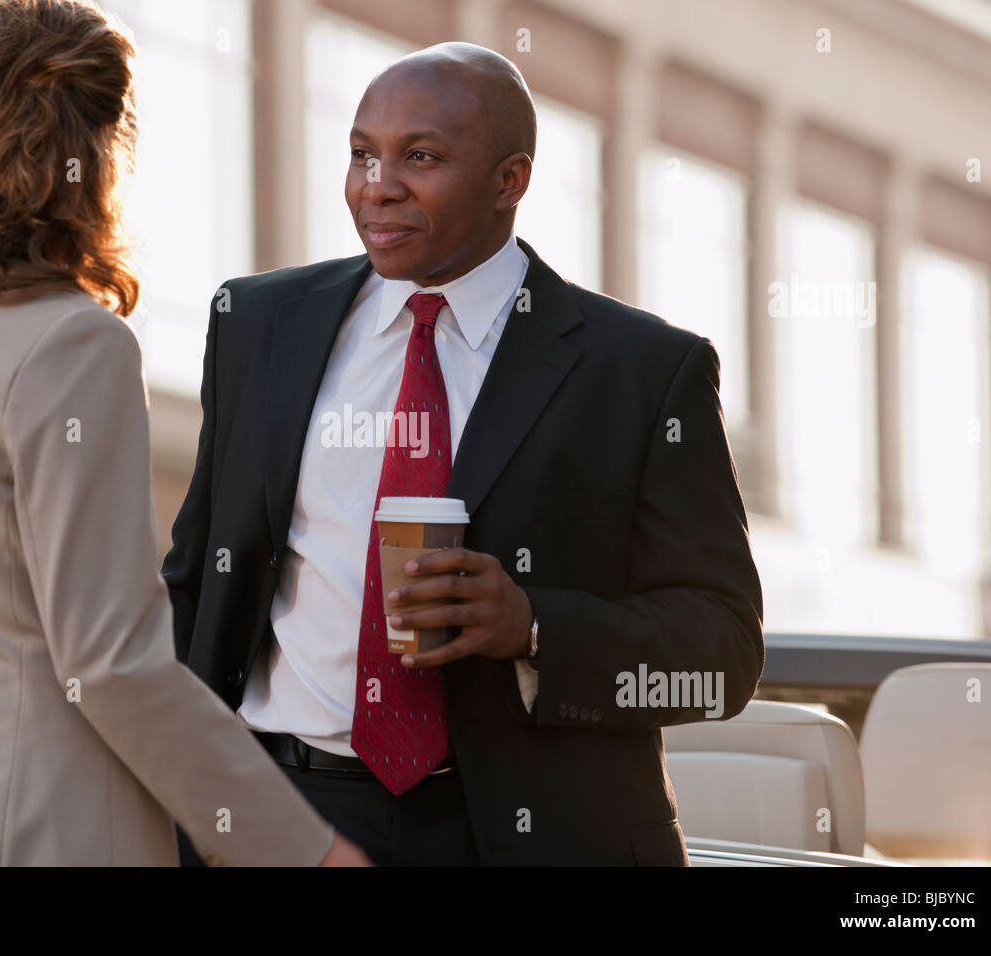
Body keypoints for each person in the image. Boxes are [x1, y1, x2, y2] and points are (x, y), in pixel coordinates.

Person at [163, 42, 765, 865]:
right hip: (285, 817)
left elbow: (721, 649)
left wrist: (532, 625)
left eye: (422, 157)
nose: (378, 184)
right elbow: (195, 585)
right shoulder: (258, 324)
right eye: (362, 153)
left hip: (527, 837)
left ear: (509, 181)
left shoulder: (642, 372)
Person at [0, 0, 369, 867]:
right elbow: (114, 661)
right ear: (90, 152)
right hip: (53, 832)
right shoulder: (72, 346)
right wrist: (303, 850)